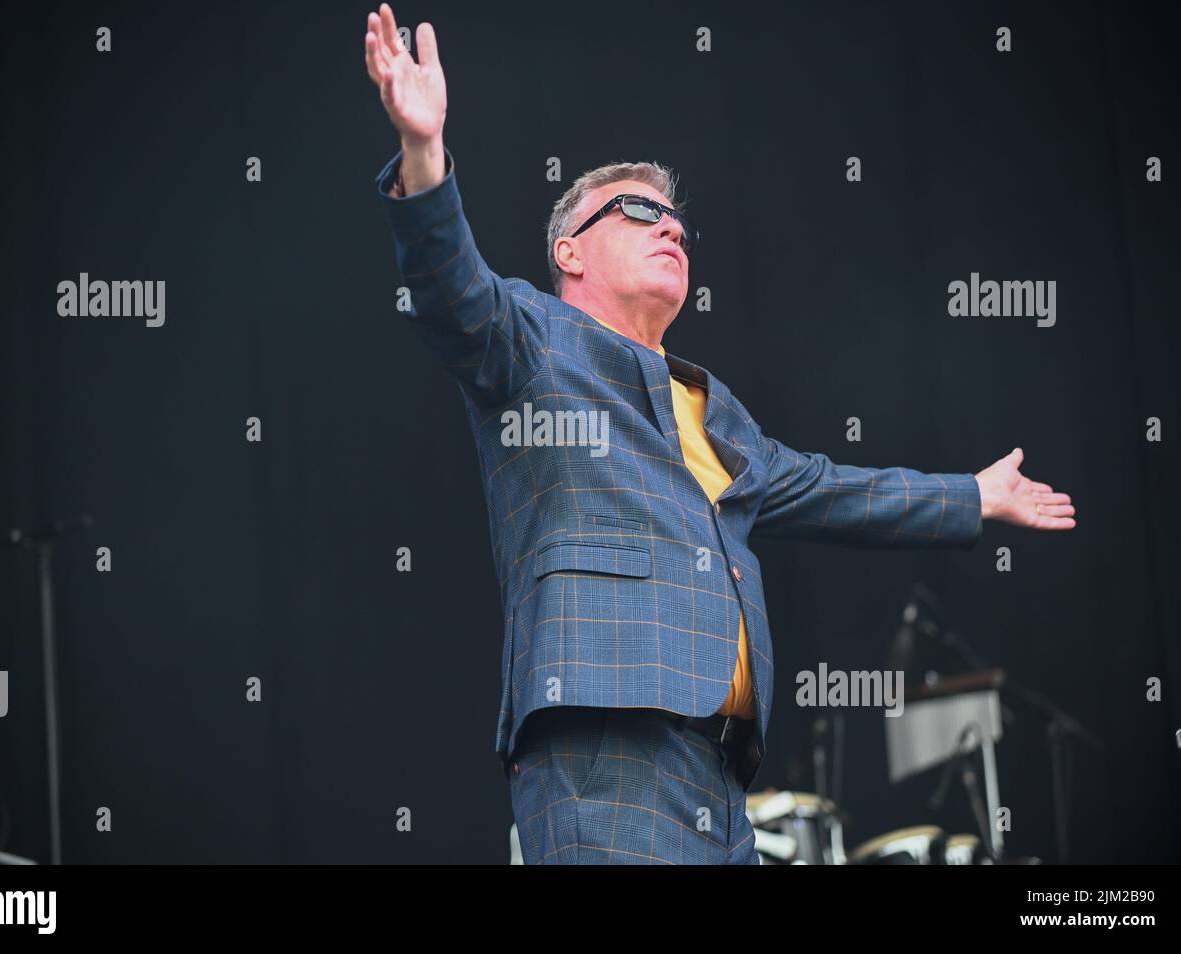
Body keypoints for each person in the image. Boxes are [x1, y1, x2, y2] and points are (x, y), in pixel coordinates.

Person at [363, 3, 1077, 864]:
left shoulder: (713, 407)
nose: (671, 227)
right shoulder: (530, 341)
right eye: (638, 210)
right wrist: (425, 153)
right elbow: (450, 293)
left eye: (680, 224)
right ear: (571, 253)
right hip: (603, 747)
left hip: (720, 774)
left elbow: (830, 488)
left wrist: (973, 495)